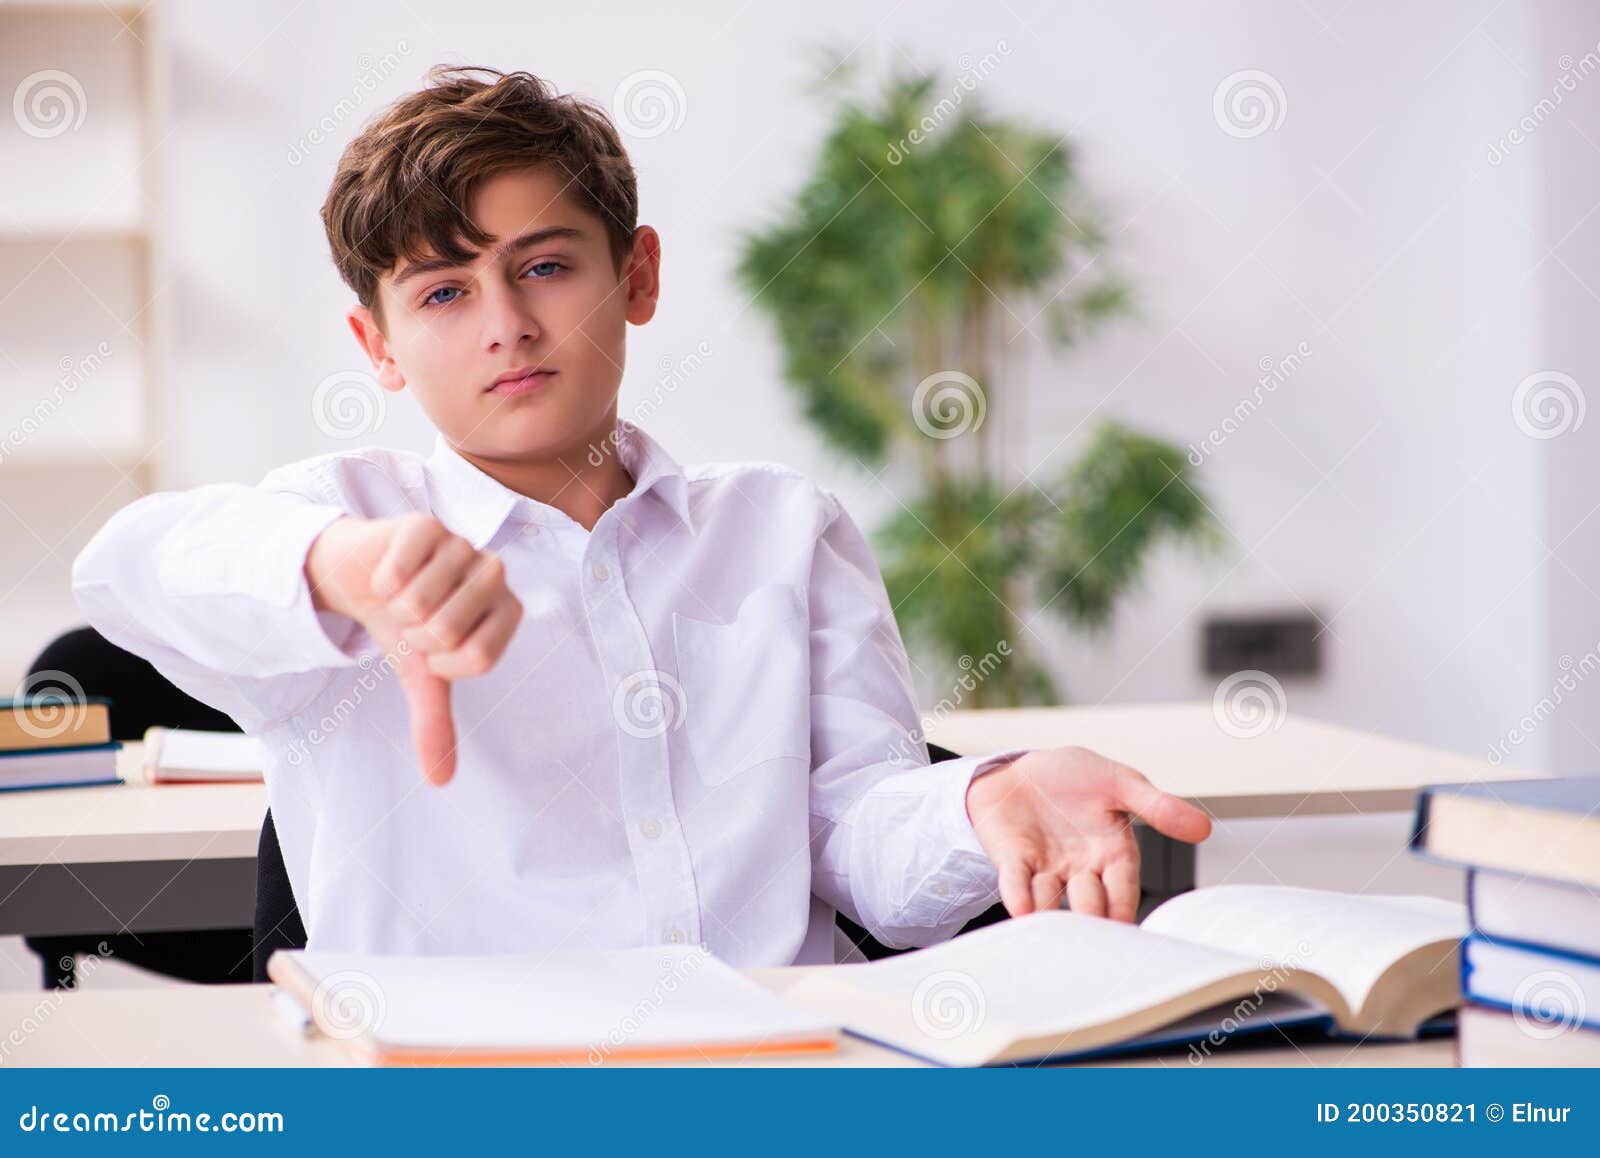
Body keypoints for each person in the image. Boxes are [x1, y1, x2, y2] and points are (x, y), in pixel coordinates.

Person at [72, 66, 1210, 965]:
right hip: (467, 1096)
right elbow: (124, 569)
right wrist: (339, 567)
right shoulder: (346, 521)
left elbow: (858, 854)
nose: (505, 325)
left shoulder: (779, 531)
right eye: (442, 293)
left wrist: (980, 801)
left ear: (639, 274)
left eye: (547, 267)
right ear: (375, 345)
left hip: (785, 1072)